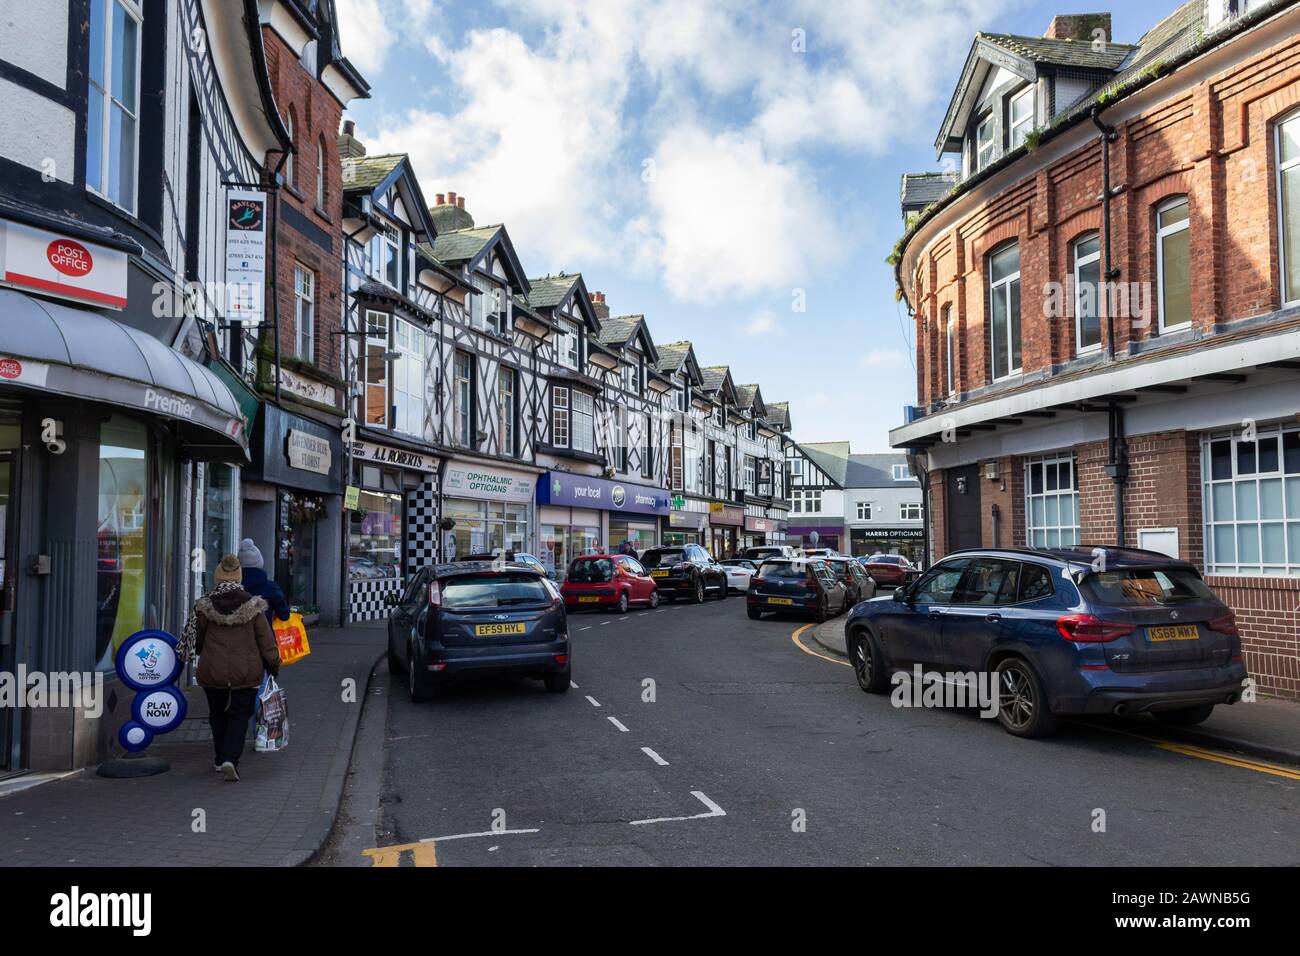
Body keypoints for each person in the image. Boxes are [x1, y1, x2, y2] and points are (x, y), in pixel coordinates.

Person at [187, 554, 280, 782]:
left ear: (217, 576)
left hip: (212, 670)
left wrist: (203, 653)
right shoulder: (254, 607)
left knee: (217, 714)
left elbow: (197, 640)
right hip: (246, 671)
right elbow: (266, 641)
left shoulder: (205, 606)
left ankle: (219, 759)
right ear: (239, 577)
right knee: (239, 715)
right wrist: (273, 664)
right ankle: (230, 759)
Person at [237, 538, 291, 625]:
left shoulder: (233, 587)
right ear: (260, 563)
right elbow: (284, 615)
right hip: (263, 636)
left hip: (238, 637)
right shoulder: (271, 587)